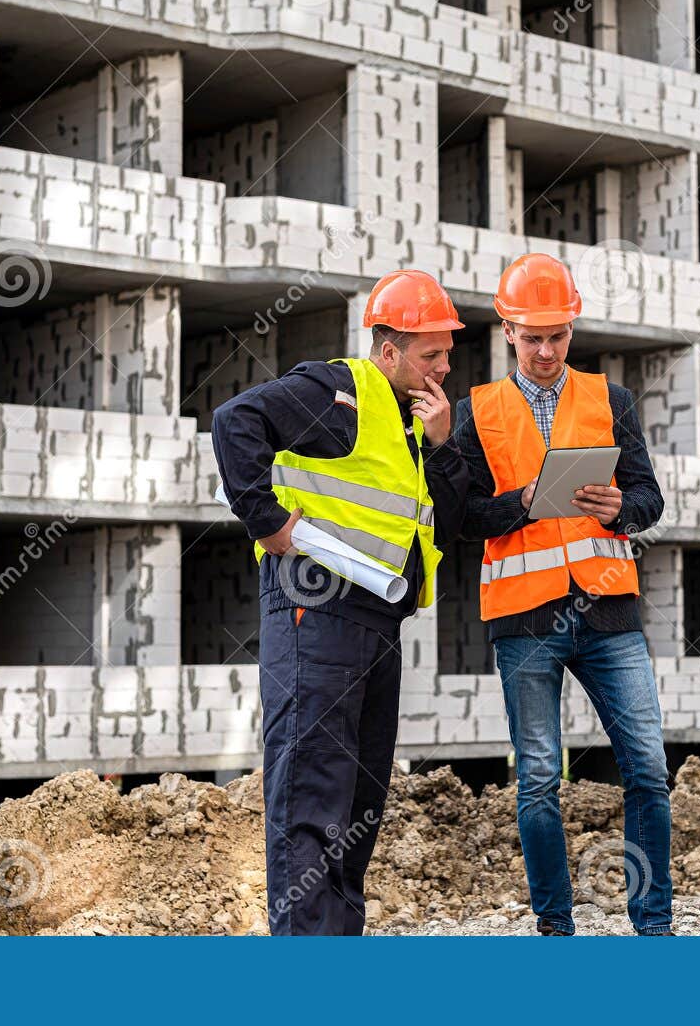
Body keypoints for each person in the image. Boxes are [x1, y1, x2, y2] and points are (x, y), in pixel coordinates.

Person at [212, 269, 469, 935]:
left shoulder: (413, 425)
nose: (444, 367)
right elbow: (235, 422)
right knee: (312, 791)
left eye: (447, 353)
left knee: (359, 799)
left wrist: (443, 446)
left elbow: (450, 520)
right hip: (315, 610)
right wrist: (266, 521)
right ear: (389, 351)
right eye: (431, 354)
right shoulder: (338, 392)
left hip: (378, 621)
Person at [451, 252, 673, 936]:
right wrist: (520, 502)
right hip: (524, 620)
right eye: (532, 338)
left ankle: (654, 926)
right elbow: (463, 519)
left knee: (648, 768)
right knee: (540, 779)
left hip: (609, 613)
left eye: (557, 336)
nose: (545, 351)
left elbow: (649, 498)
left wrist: (621, 509)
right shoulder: (476, 412)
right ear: (508, 331)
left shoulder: (612, 401)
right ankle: (556, 929)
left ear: (571, 330)